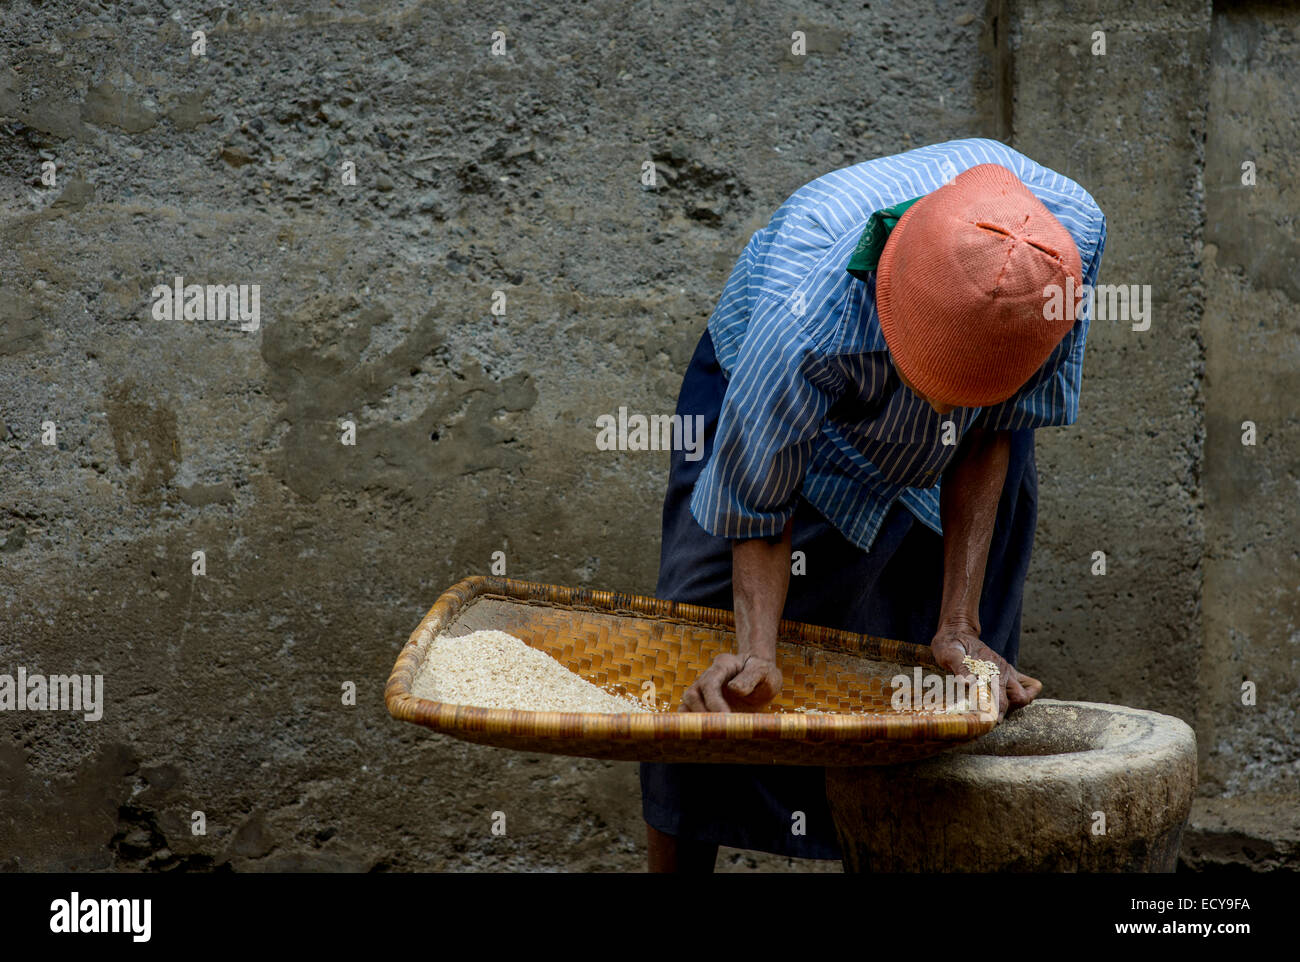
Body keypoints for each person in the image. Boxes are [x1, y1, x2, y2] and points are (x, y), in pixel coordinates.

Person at [642, 138, 1107, 872]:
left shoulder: (1067, 241)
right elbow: (760, 504)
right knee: (701, 676)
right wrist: (759, 652)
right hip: (780, 413)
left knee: (949, 692)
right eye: (932, 379)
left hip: (970, 453)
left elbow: (995, 434)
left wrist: (958, 622)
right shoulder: (805, 312)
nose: (937, 407)